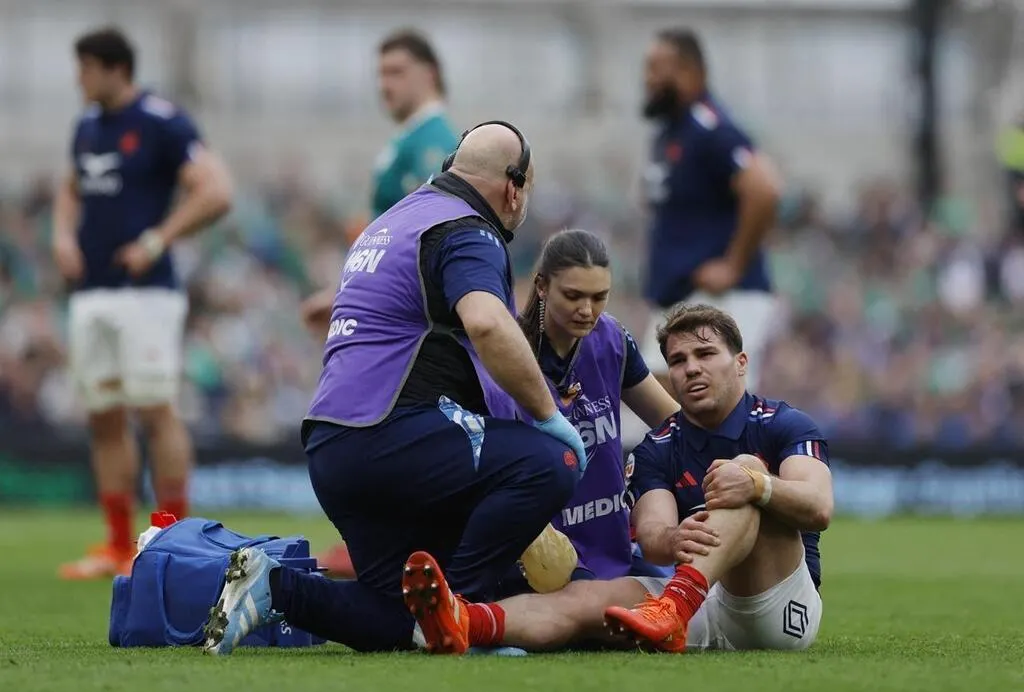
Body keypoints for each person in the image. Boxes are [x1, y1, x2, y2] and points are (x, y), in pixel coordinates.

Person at [203, 121, 587, 655]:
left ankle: (273, 588)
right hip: (393, 434)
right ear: (513, 187)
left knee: (397, 615)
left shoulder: (395, 220)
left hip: (332, 449)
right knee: (550, 463)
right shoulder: (468, 228)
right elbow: (487, 325)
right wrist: (549, 418)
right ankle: (465, 614)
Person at [402, 303, 833, 654]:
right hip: (699, 603)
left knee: (744, 469)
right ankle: (463, 621)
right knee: (585, 599)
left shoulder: (781, 423)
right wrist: (674, 538)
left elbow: (818, 507)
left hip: (778, 608)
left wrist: (757, 485)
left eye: (705, 355)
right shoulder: (657, 447)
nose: (692, 369)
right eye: (679, 361)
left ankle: (673, 609)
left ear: (740, 363)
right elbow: (653, 537)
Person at [53, 27, 233, 580]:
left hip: (147, 293)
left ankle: (173, 541)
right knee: (104, 417)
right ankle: (116, 545)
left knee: (156, 411)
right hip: (92, 293)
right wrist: (62, 235)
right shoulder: (86, 127)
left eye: (84, 68)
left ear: (114, 69)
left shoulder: (162, 121)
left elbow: (216, 190)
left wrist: (157, 240)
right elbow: (70, 187)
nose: (78, 79)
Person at [495, 228, 679, 596]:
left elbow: (672, 425)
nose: (587, 310)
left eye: (600, 297)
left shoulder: (612, 339)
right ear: (542, 286)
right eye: (573, 296)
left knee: (687, 610)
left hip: (611, 547)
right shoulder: (506, 353)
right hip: (538, 552)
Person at [636, 28, 782, 397]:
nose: (648, 79)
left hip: (718, 303)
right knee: (656, 410)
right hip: (683, 302)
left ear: (688, 72)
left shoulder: (709, 127)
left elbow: (764, 188)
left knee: (710, 410)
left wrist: (733, 264)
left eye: (657, 68)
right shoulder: (674, 132)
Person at [300, 29, 458, 344]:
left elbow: (430, 228)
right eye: (381, 74)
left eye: (396, 72)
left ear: (430, 74)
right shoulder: (408, 139)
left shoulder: (433, 142)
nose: (384, 85)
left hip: (403, 316)